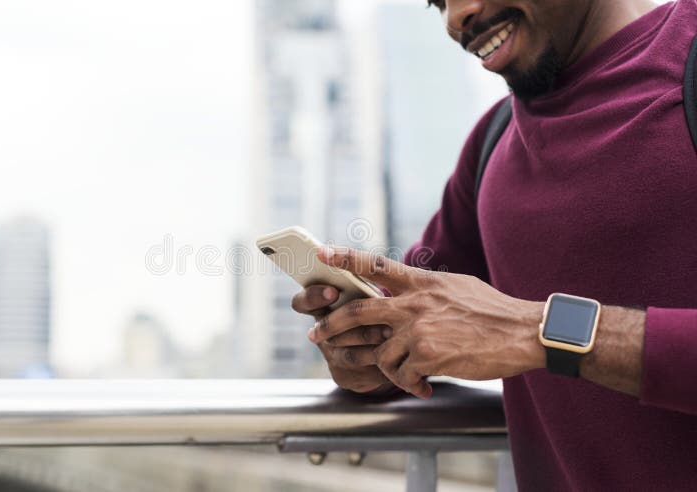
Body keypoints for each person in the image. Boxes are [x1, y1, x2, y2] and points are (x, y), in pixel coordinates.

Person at [291, 0, 697, 490]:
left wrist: (540, 331)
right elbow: (413, 318)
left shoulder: (685, 61)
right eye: (437, 2)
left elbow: (507, 328)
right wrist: (363, 350)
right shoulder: (492, 143)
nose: (456, 16)